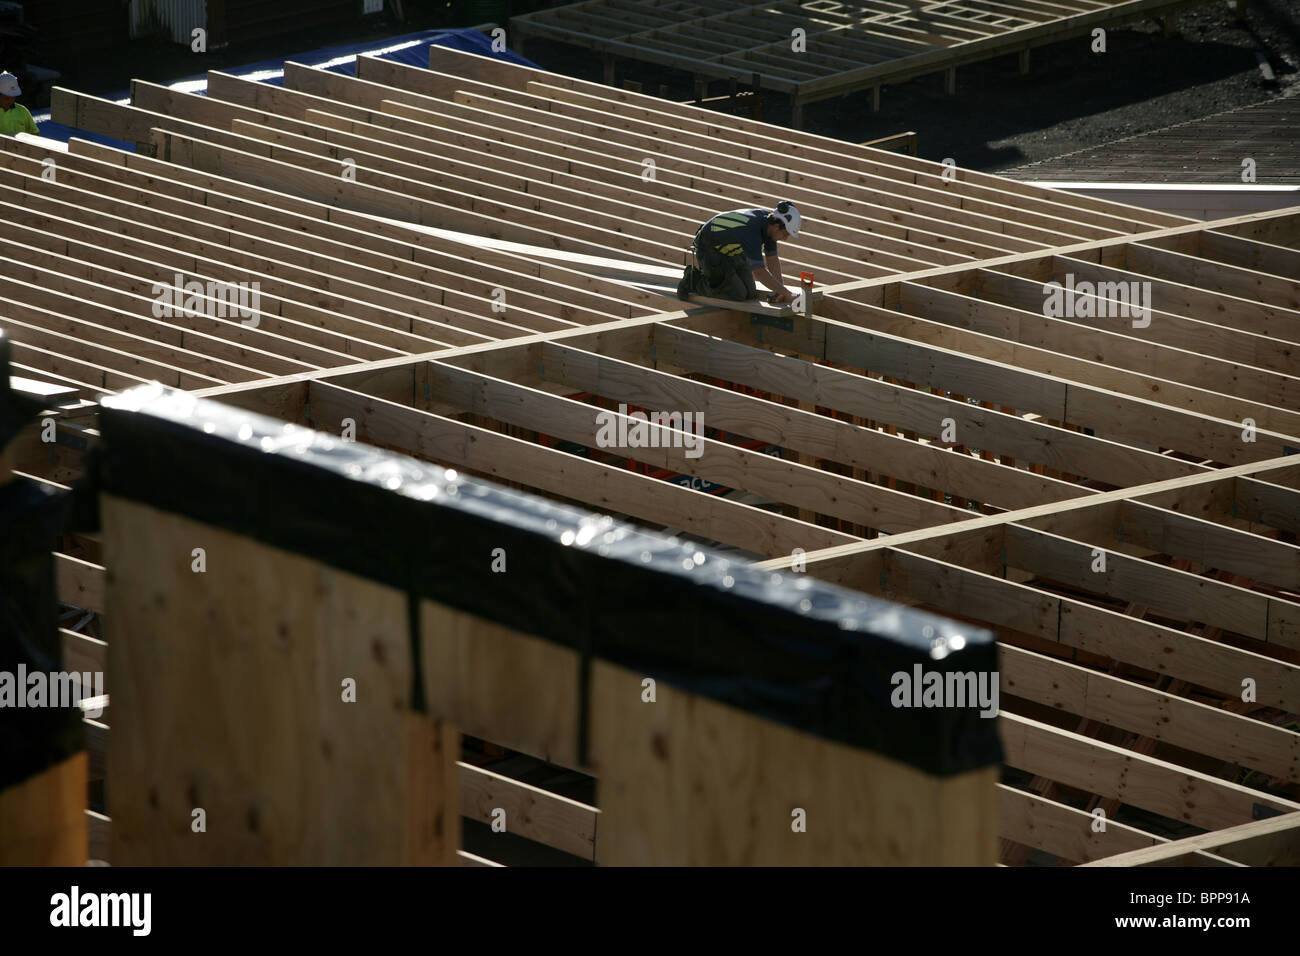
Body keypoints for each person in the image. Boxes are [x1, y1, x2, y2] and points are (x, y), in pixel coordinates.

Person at [678, 201, 802, 304]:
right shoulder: (752, 230)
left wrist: (780, 291)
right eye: (786, 234)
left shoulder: (770, 225)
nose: (785, 238)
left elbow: (773, 260)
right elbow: (759, 272)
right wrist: (787, 293)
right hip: (709, 248)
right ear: (776, 226)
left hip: (732, 248)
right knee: (738, 295)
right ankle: (693, 281)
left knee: (750, 293)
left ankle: (723, 277)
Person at [0, 72, 38, 136]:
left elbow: (35, 133)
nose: (11, 101)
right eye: (7, 98)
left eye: (13, 97)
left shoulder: (23, 111)